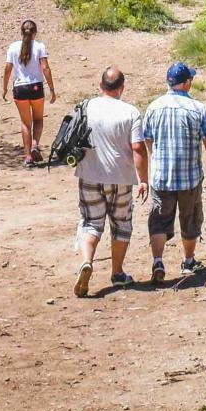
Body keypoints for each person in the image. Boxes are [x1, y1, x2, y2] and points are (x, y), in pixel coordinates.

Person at [72, 65, 150, 298]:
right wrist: (143, 179)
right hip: (121, 177)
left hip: (89, 173)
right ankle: (117, 272)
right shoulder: (130, 112)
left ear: (100, 86)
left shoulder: (86, 107)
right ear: (122, 88)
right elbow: (138, 147)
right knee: (121, 224)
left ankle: (87, 261)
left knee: (90, 222)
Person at [142, 61, 206, 281]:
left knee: (159, 221)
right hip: (189, 177)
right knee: (190, 219)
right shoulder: (198, 108)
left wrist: (156, 159)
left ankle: (158, 262)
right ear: (186, 83)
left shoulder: (154, 107)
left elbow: (147, 139)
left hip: (161, 176)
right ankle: (188, 261)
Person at [2, 19, 56, 166]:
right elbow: (45, 68)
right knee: (38, 119)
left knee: (26, 123)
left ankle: (28, 158)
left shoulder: (13, 47)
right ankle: (34, 145)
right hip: (36, 87)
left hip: (19, 88)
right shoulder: (39, 46)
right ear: (35, 33)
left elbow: (7, 69)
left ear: (21, 32)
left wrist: (5, 87)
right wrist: (51, 88)